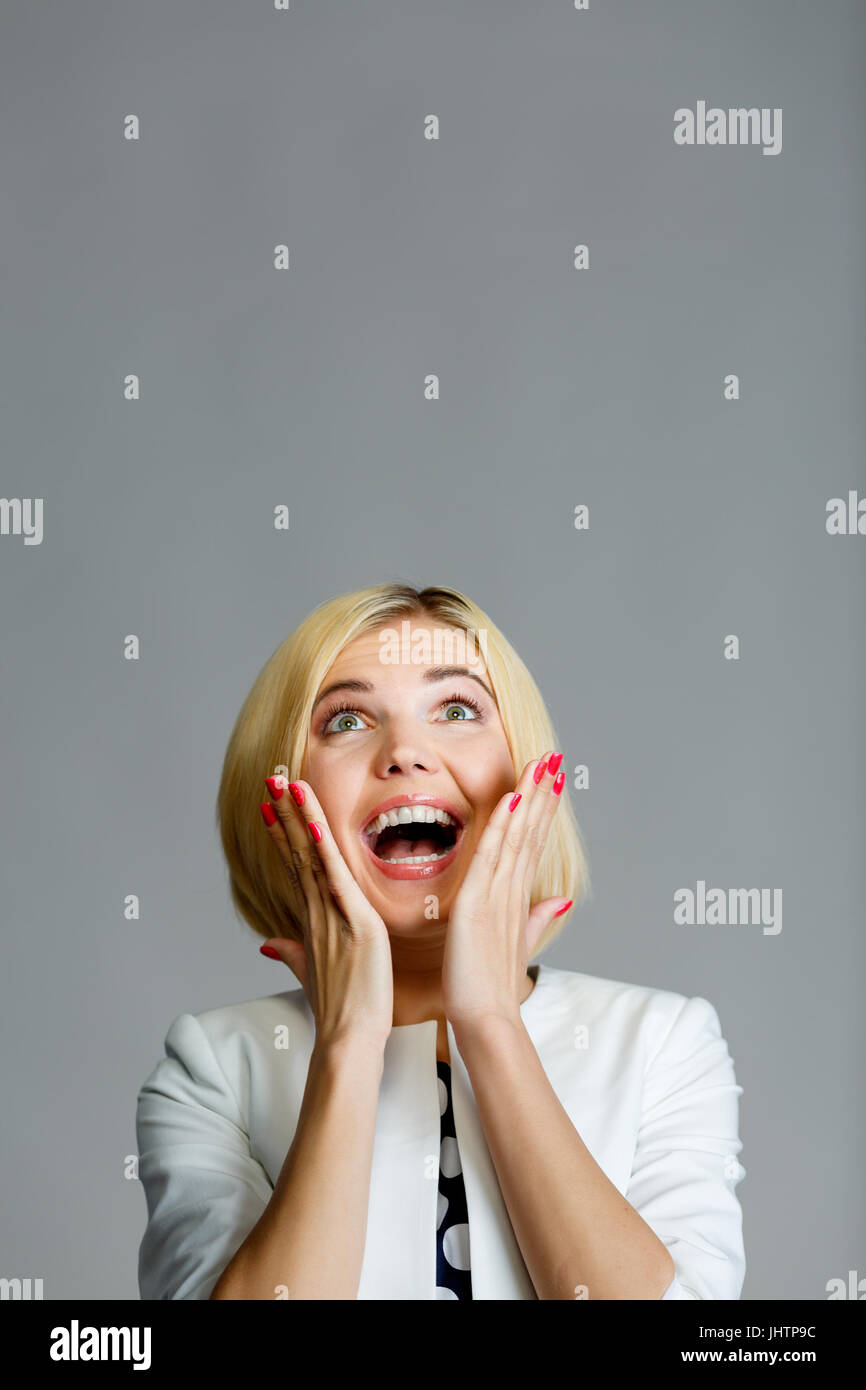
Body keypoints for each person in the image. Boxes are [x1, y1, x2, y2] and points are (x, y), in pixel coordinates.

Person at [135, 582, 745, 1300]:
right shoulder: (211, 1070)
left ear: (527, 776)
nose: (405, 752)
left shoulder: (665, 1042)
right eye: (345, 720)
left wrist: (489, 1024)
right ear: (282, 793)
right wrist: (349, 1043)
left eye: (456, 710)